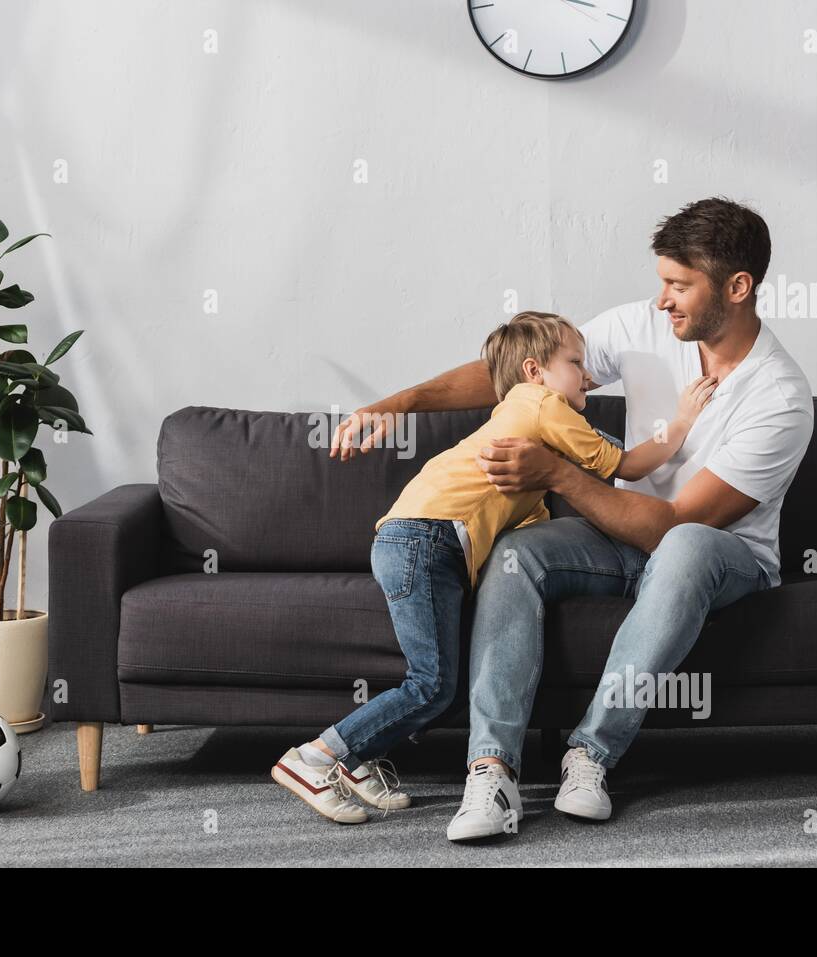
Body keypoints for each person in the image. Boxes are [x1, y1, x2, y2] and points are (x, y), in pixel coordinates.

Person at [330, 197, 815, 841]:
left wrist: (558, 474)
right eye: (662, 281)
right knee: (515, 551)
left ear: (737, 286)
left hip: (720, 555)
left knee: (689, 547)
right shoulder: (649, 327)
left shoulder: (778, 397)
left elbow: (669, 526)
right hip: (620, 534)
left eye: (679, 284)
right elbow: (523, 369)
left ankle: (591, 754)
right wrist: (401, 403)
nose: (663, 299)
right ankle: (491, 769)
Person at [271, 311, 716, 823]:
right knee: (431, 686)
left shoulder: (520, 424)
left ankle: (357, 762)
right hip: (427, 539)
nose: (589, 376)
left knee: (442, 682)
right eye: (576, 363)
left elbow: (529, 533)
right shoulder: (544, 404)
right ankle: (318, 757)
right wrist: (682, 420)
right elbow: (628, 466)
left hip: (413, 537)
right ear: (535, 371)